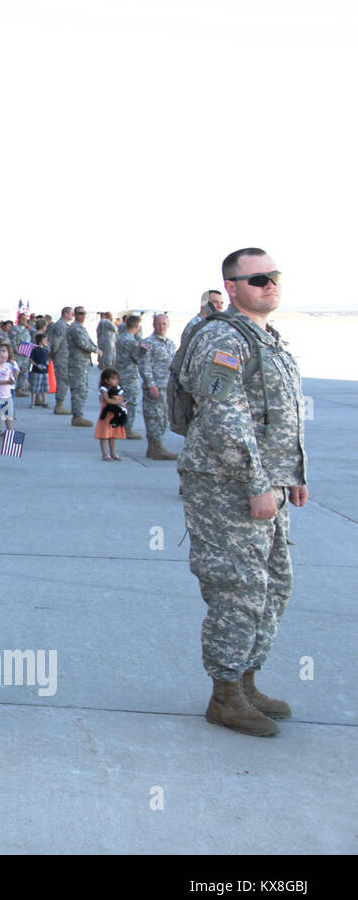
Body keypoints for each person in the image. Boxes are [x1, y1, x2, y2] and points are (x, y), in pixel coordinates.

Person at [175, 248, 306, 737]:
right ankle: (224, 694)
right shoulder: (222, 339)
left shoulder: (266, 339)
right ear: (231, 287)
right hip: (227, 486)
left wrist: (294, 474)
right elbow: (223, 417)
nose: (269, 284)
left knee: (274, 585)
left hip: (266, 483)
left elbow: (277, 412)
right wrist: (256, 484)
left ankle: (247, 680)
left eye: (273, 276)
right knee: (238, 589)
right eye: (257, 279)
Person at [139, 313, 179, 459]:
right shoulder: (146, 343)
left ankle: (152, 448)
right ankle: (157, 448)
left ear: (168, 325)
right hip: (155, 387)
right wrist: (151, 385)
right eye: (158, 323)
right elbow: (144, 366)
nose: (161, 326)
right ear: (153, 325)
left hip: (167, 386)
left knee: (163, 417)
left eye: (164, 323)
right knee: (154, 416)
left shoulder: (170, 343)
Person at [113, 315, 144, 439]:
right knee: (131, 402)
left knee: (121, 401)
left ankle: (119, 426)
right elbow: (137, 358)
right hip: (129, 375)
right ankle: (127, 429)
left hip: (120, 373)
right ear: (137, 326)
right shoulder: (131, 341)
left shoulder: (121, 337)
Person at [68, 307, 99, 427]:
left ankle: (79, 415)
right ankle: (77, 416)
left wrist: (96, 348)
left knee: (82, 390)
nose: (83, 315)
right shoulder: (75, 328)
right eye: (80, 313)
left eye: (84, 313)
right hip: (77, 364)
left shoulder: (81, 328)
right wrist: (96, 350)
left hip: (83, 363)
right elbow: (83, 344)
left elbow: (89, 341)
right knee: (78, 390)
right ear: (75, 314)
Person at [95, 368, 127, 461]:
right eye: (113, 379)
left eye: (117, 379)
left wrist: (121, 402)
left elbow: (122, 398)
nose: (116, 381)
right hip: (106, 414)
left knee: (113, 435)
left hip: (115, 414)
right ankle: (105, 454)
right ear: (106, 380)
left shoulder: (117, 388)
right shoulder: (103, 389)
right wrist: (117, 401)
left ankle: (113, 453)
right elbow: (106, 400)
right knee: (104, 434)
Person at [48, 306, 73, 414]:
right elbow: (56, 342)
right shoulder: (62, 325)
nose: (73, 315)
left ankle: (60, 404)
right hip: (61, 356)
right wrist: (53, 354)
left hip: (64, 356)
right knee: (63, 380)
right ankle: (59, 405)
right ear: (65, 314)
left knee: (63, 380)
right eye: (71, 313)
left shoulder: (62, 325)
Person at [28, 333, 50, 408]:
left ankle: (45, 402)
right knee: (35, 387)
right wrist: (37, 365)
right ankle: (32, 403)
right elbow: (31, 360)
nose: (46, 341)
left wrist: (48, 362)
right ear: (40, 341)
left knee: (45, 387)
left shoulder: (46, 349)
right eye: (45, 340)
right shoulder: (35, 349)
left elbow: (48, 358)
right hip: (37, 371)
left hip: (45, 371)